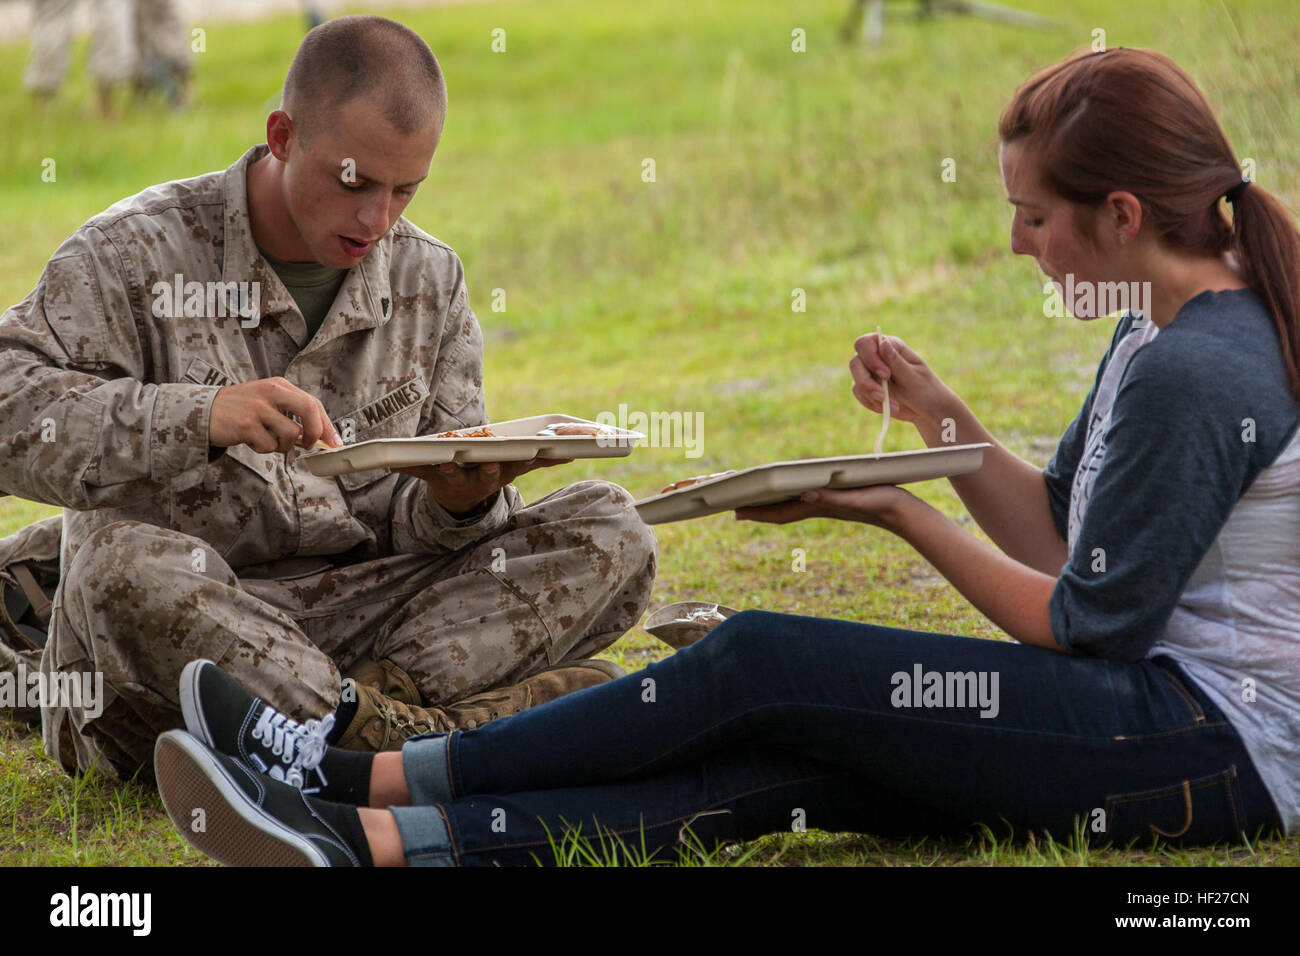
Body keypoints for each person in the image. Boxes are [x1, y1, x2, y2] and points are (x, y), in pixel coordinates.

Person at [152, 46, 1299, 865]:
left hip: (1201, 744)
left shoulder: (1203, 369)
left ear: (1122, 212)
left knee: (762, 662)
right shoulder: (1155, 328)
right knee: (785, 774)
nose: (1012, 240)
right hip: (1162, 723)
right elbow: (1060, 527)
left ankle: (353, 777)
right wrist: (938, 415)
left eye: (1034, 216)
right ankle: (373, 841)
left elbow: (1091, 622)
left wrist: (899, 514)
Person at [0, 15, 657, 782]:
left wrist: (459, 504)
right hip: (193, 626)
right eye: (354, 182)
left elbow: (426, 537)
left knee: (613, 529)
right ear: (283, 136)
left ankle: (363, 733)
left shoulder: (428, 281)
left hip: (377, 628)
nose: (376, 220)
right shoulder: (133, 253)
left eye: (404, 189)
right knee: (115, 564)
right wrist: (198, 417)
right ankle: (440, 737)